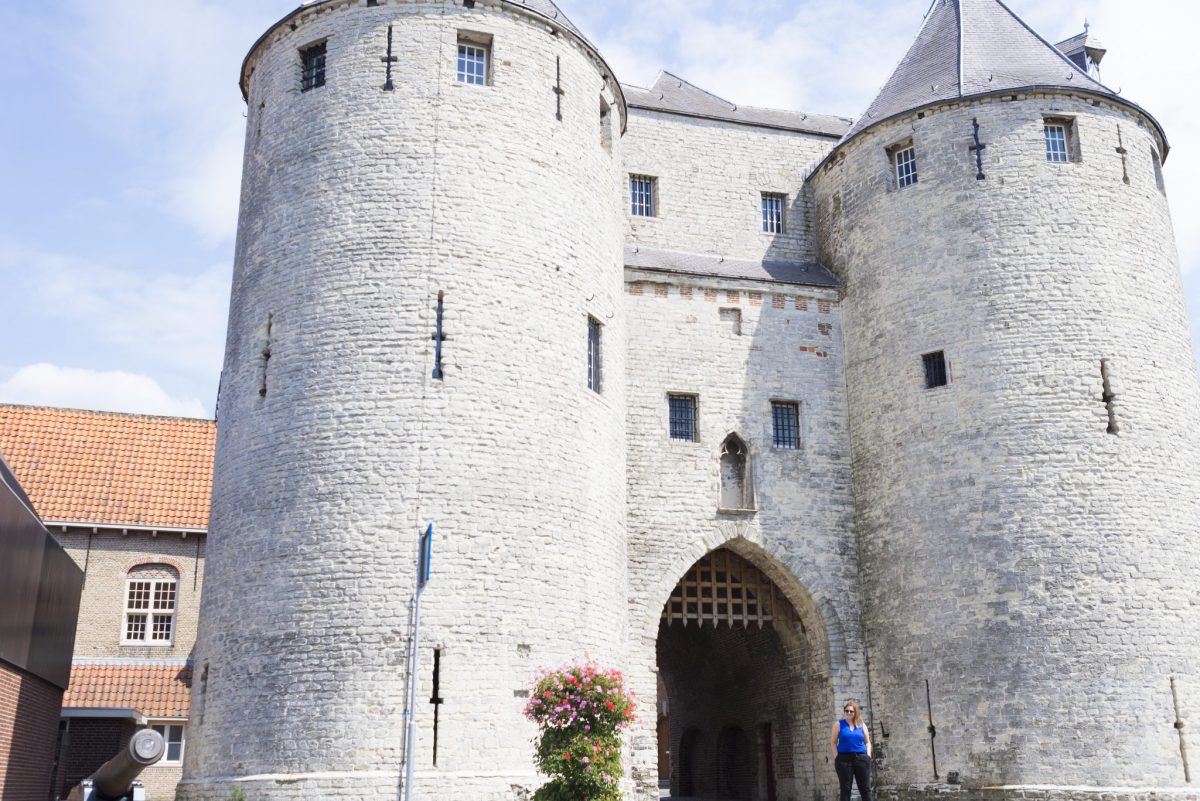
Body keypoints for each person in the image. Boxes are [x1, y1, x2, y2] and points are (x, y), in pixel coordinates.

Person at [831, 700, 872, 801]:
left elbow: (867, 742)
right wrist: (837, 757)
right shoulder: (838, 724)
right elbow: (833, 742)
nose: (849, 713)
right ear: (844, 712)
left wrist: (868, 755)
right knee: (845, 789)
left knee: (865, 789)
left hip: (861, 758)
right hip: (844, 760)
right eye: (847, 711)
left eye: (851, 711)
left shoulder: (862, 725)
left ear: (855, 713)